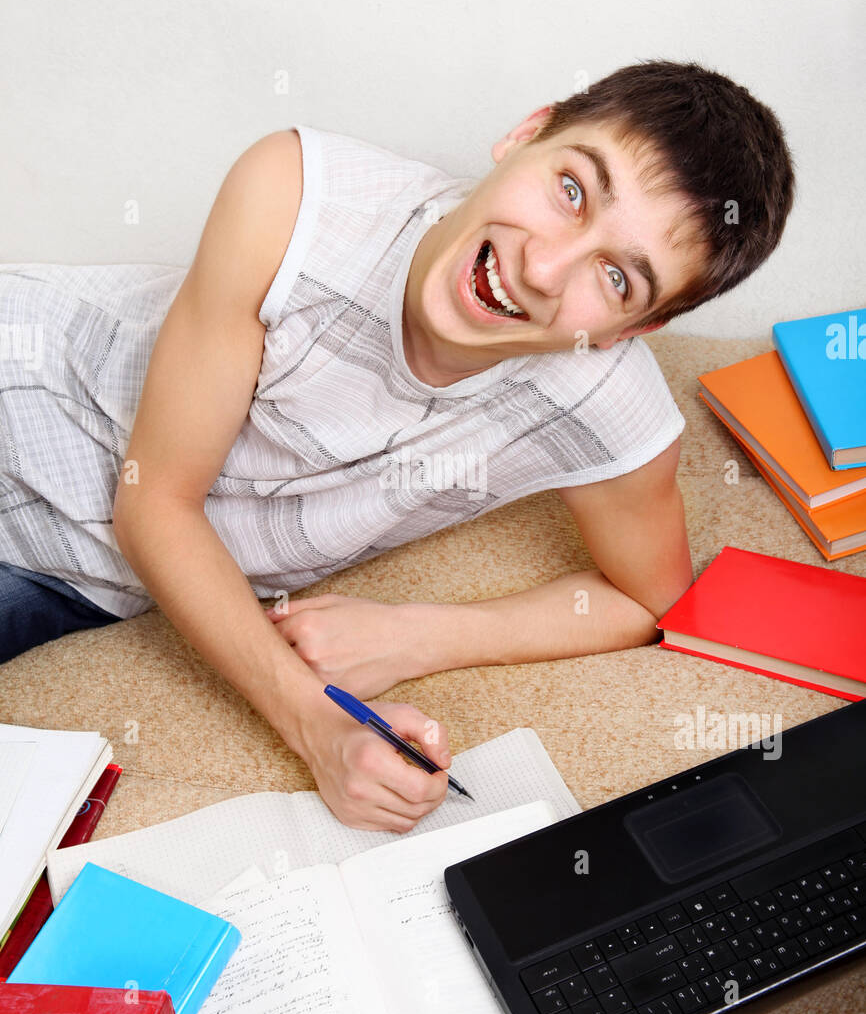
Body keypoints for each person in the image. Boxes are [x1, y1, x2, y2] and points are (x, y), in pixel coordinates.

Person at [0, 59, 796, 831]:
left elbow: (650, 602)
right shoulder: (295, 194)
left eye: (619, 279)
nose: (545, 268)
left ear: (638, 329)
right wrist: (316, 726)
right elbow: (157, 505)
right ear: (529, 132)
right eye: (570, 190)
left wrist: (412, 633)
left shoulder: (604, 403)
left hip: (60, 575)